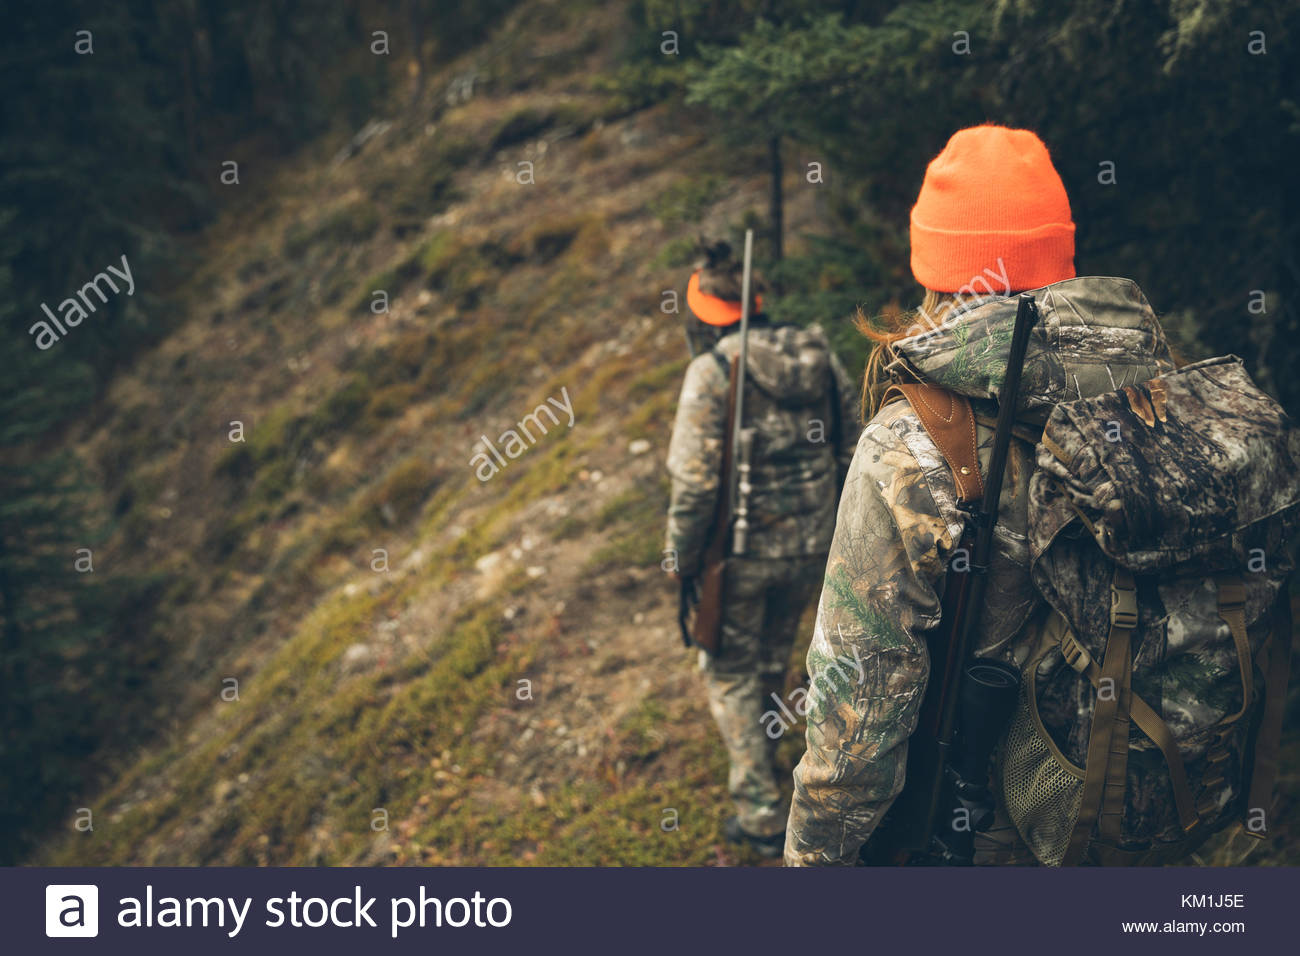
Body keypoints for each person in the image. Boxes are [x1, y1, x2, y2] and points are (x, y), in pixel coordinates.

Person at [783, 123, 1284, 866]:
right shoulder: (1160, 392)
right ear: (1059, 258)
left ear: (936, 269)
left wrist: (809, 869)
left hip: (986, 842)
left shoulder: (913, 447)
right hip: (1150, 817)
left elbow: (853, 718)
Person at [665, 241, 860, 858]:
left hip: (737, 556)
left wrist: (680, 558)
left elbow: (694, 486)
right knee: (774, 659)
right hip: (812, 549)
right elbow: (853, 447)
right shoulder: (819, 355)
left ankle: (758, 810)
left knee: (726, 671)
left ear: (705, 313)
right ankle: (775, 765)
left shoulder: (712, 373)